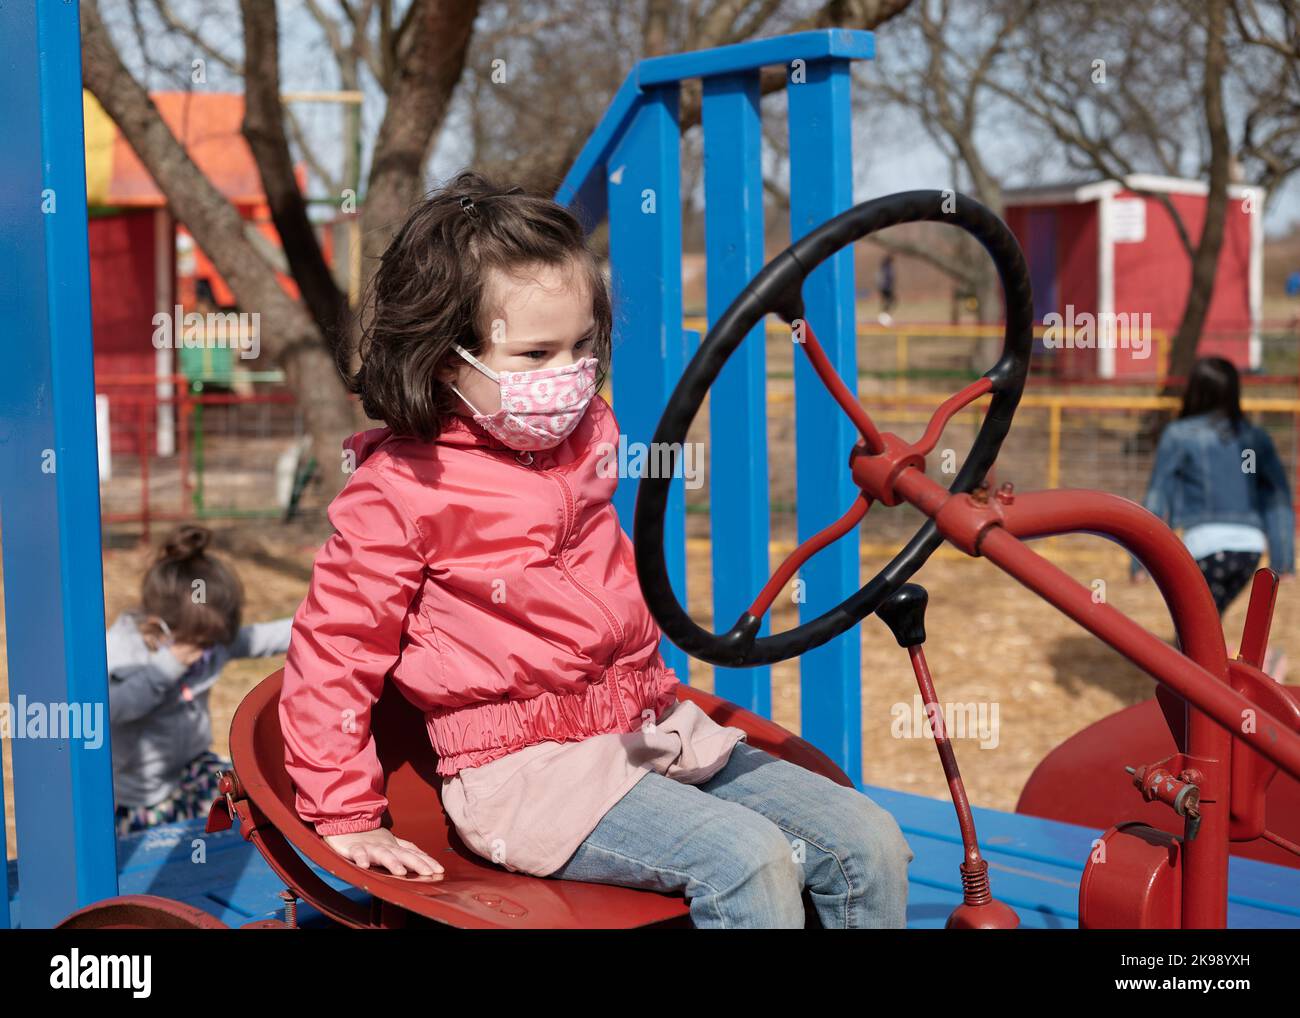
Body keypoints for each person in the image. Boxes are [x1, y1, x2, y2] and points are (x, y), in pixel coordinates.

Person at [279, 172, 914, 928]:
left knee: (867, 840)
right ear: (448, 360)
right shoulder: (402, 489)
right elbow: (333, 652)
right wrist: (345, 813)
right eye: (536, 354)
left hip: (646, 728)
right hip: (524, 772)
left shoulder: (584, 442)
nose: (568, 378)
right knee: (745, 862)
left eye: (582, 347)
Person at [107, 525, 292, 835]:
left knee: (236, 792)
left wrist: (321, 618)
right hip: (132, 792)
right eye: (200, 642)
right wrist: (168, 667)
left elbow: (263, 638)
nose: (208, 650)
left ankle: (218, 853)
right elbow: (115, 708)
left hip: (188, 768)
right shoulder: (124, 648)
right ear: (159, 625)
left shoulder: (206, 641)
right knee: (152, 846)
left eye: (214, 640)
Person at [1134, 357, 1294, 675]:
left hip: (1206, 548)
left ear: (1194, 391)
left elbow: (1157, 494)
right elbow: (1277, 499)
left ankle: (1252, 672)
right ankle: (1244, 673)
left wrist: (1140, 560)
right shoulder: (1255, 437)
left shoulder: (1179, 435)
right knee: (1202, 630)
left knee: (1194, 639)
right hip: (1248, 551)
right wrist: (1283, 560)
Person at [877, 254, 896, 326]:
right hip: (886, 288)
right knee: (890, 301)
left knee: (889, 301)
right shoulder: (886, 268)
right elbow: (887, 278)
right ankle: (883, 317)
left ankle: (884, 317)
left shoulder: (885, 267)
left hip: (885, 287)